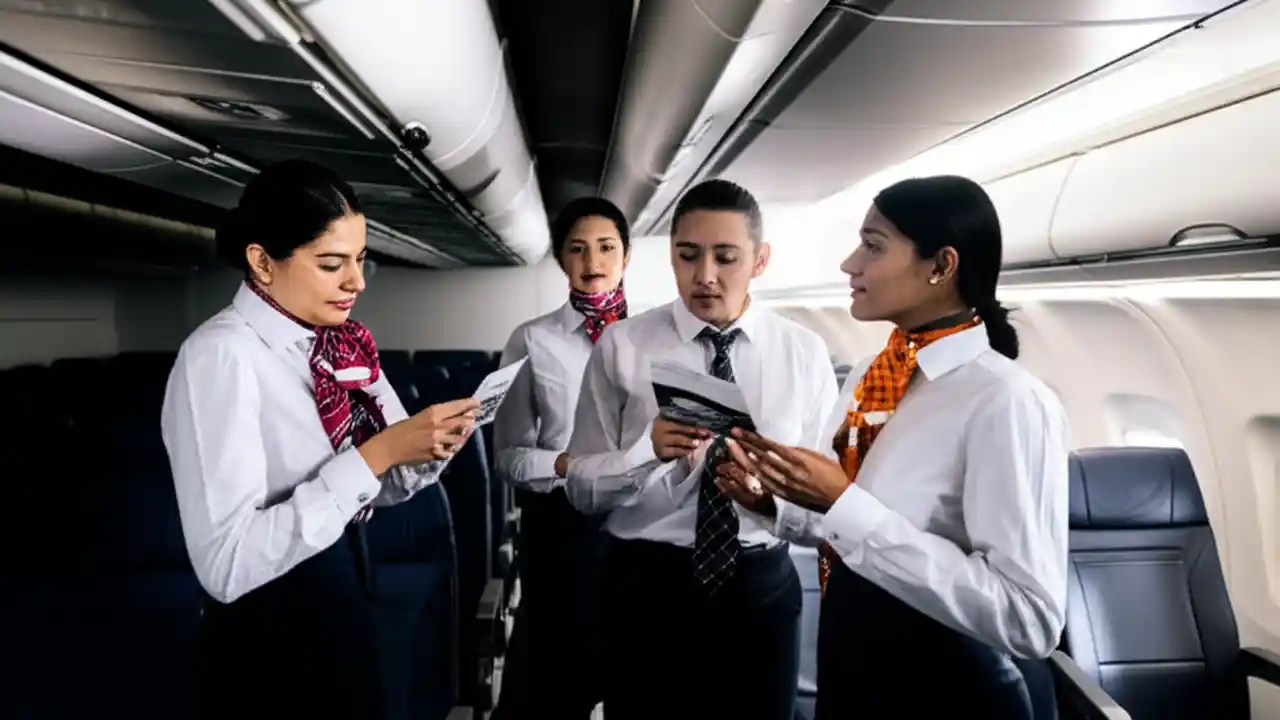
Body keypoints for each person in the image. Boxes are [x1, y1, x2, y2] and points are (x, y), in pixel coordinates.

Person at [714, 175, 1070, 718]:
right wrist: (777, 504)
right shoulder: (871, 377)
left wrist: (842, 502)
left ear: (941, 266)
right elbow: (853, 532)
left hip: (948, 690)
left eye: (873, 246)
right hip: (857, 668)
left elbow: (1029, 618)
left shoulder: (1006, 401)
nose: (849, 264)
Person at [160, 159, 480, 719]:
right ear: (261, 261)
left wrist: (424, 450)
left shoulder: (343, 344)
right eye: (332, 263)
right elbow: (227, 565)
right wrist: (377, 452)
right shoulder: (220, 357)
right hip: (269, 635)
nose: (356, 281)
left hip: (346, 585)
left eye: (359, 260)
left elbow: (373, 489)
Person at [562, 179, 839, 720]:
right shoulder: (624, 345)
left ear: (760, 260)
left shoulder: (803, 353)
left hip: (760, 584)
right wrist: (646, 452)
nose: (705, 275)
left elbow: (829, 501)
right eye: (688, 256)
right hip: (647, 584)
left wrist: (771, 504)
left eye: (725, 257)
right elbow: (580, 489)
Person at [490, 197, 631, 719]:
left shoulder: (656, 339)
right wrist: (567, 466)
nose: (593, 261)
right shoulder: (531, 339)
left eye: (606, 248)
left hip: (642, 530)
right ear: (561, 260)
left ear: (626, 257)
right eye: (578, 249)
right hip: (562, 530)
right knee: (551, 692)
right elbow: (505, 457)